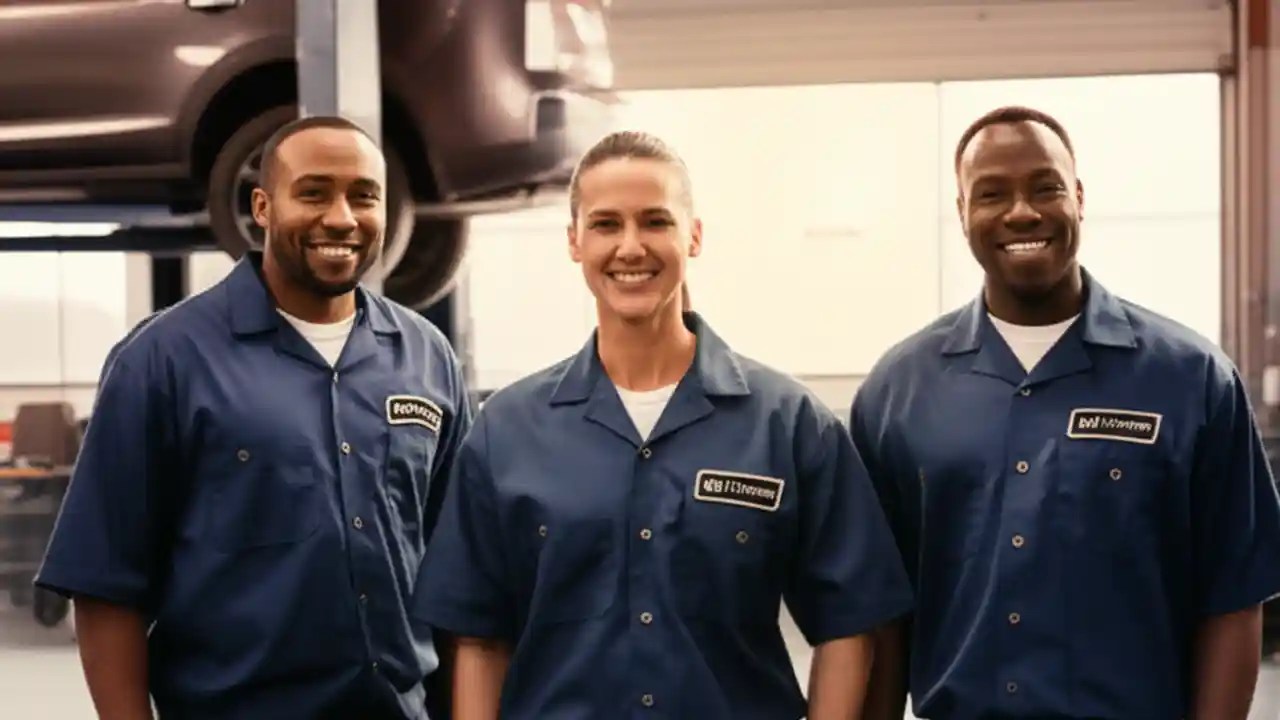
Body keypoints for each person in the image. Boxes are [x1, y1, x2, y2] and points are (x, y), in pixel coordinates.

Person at [410, 130, 915, 719]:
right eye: (605, 224)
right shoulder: (506, 431)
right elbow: (477, 638)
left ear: (693, 235)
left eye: (655, 222)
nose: (631, 247)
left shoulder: (788, 424)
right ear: (574, 241)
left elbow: (849, 624)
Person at [35, 115, 472, 720]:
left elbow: (461, 575)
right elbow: (106, 588)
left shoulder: (426, 357)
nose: (342, 217)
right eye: (313, 192)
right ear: (263, 207)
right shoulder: (163, 360)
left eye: (363, 196)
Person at [852, 105, 1280, 720]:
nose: (1021, 212)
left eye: (1044, 187)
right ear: (963, 214)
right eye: (991, 193)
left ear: (1078, 198)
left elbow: (1234, 598)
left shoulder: (1191, 379)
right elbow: (881, 615)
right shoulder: (899, 391)